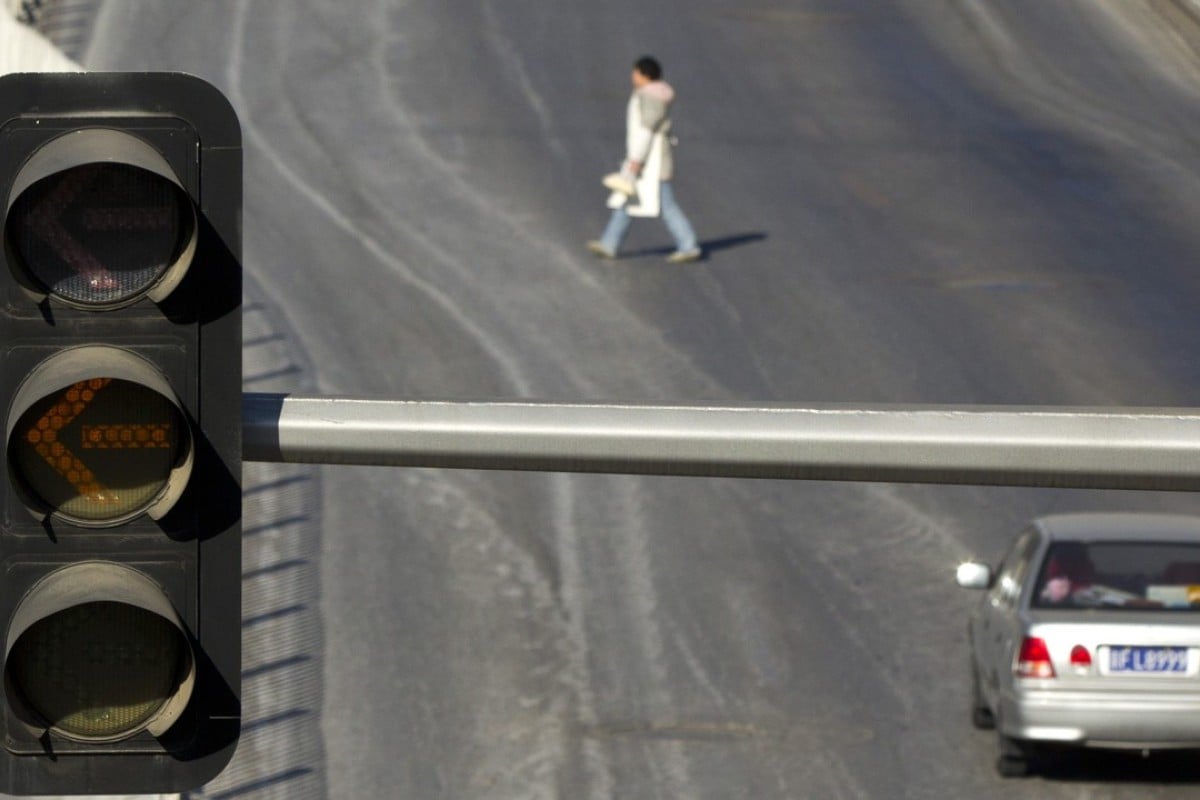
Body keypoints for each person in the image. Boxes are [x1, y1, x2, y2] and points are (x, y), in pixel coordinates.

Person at [587, 56, 702, 264]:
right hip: (646, 159)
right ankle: (609, 244)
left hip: (652, 161)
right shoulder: (650, 95)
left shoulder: (650, 97)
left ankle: (689, 245)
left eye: (635, 72)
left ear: (644, 75)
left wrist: (636, 159)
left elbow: (647, 130)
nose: (633, 76)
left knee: (666, 205)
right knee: (627, 198)